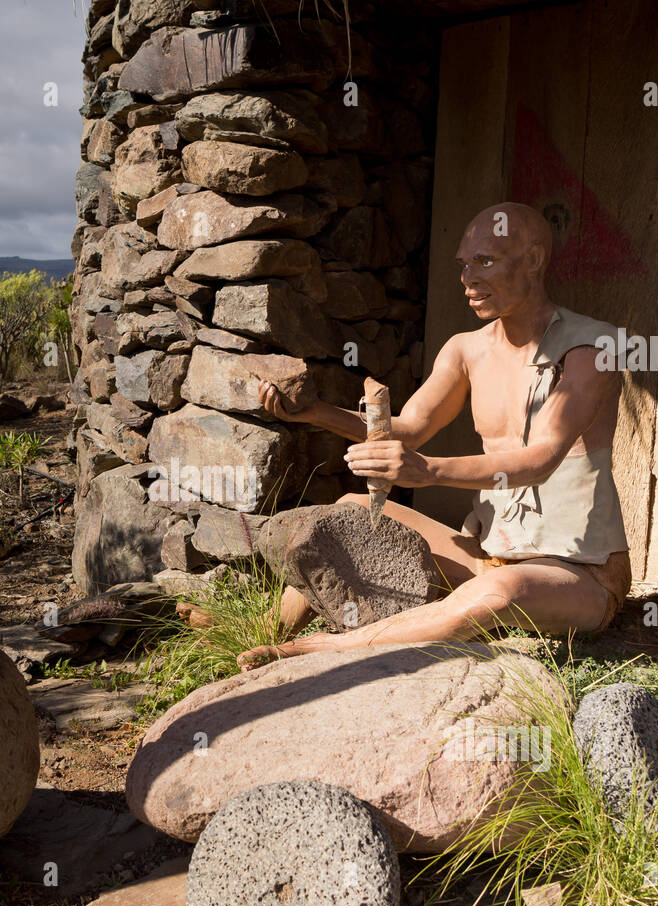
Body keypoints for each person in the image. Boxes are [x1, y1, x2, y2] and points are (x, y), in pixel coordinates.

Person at [227, 201, 632, 671]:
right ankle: (264, 632)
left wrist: (429, 471)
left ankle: (326, 650)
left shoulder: (594, 346)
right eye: (464, 264)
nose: (468, 279)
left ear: (535, 261)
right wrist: (314, 413)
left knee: (501, 594)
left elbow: (542, 457)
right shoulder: (465, 350)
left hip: (577, 573)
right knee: (349, 513)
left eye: (485, 261)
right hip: (488, 557)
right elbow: (407, 430)